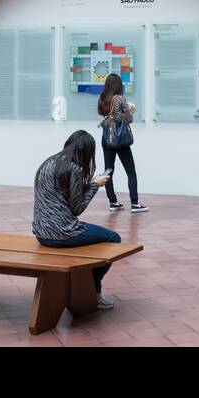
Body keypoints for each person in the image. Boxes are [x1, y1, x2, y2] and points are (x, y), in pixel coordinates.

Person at [32, 130, 122, 309]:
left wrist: (88, 185)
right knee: (113, 239)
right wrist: (95, 185)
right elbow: (76, 209)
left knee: (95, 240)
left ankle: (86, 287)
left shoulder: (48, 163)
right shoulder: (73, 168)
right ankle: (93, 291)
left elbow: (63, 198)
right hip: (62, 233)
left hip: (42, 234)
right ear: (86, 151)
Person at [97, 73, 148, 213]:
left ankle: (113, 202)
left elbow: (102, 113)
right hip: (120, 140)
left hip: (107, 137)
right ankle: (135, 203)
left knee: (108, 170)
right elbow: (127, 119)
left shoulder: (102, 98)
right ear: (118, 85)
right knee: (131, 172)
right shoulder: (120, 98)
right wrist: (130, 111)